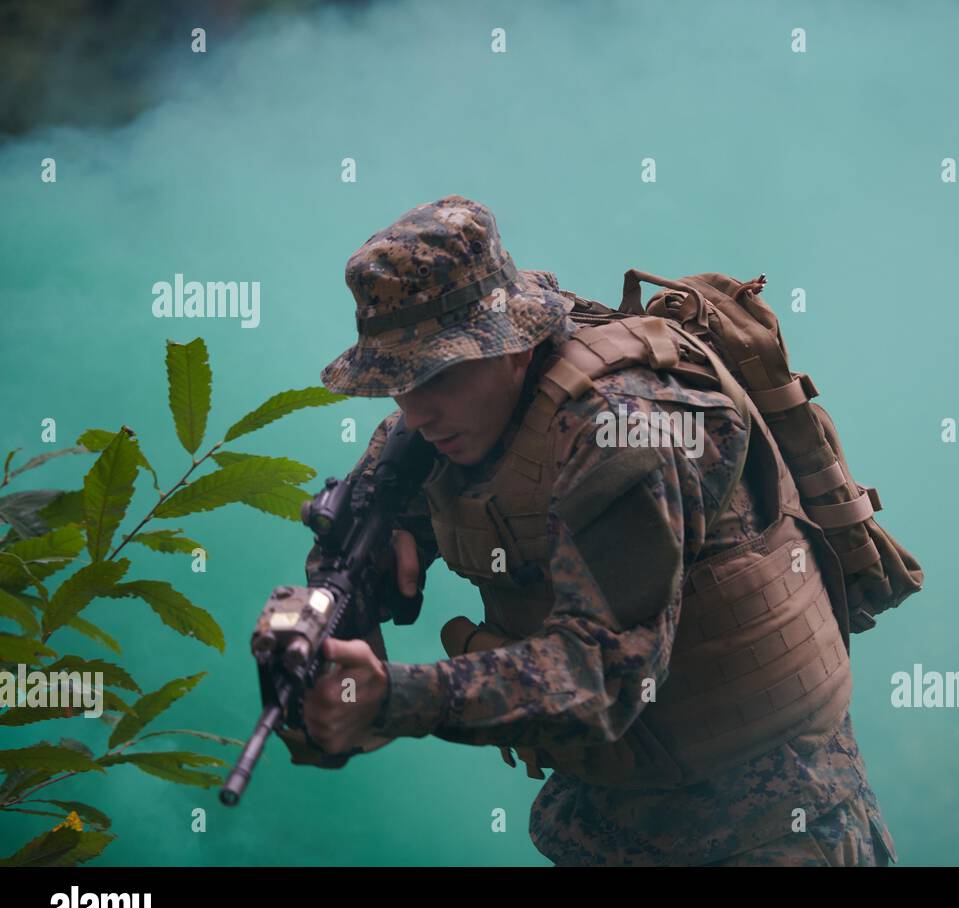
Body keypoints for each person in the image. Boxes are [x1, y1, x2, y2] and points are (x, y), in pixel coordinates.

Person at [287, 195, 899, 867]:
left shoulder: (628, 429)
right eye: (396, 379)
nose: (417, 409)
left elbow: (601, 678)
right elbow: (350, 547)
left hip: (773, 821)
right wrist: (324, 632)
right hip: (609, 826)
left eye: (437, 370)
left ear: (512, 346)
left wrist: (392, 696)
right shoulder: (445, 421)